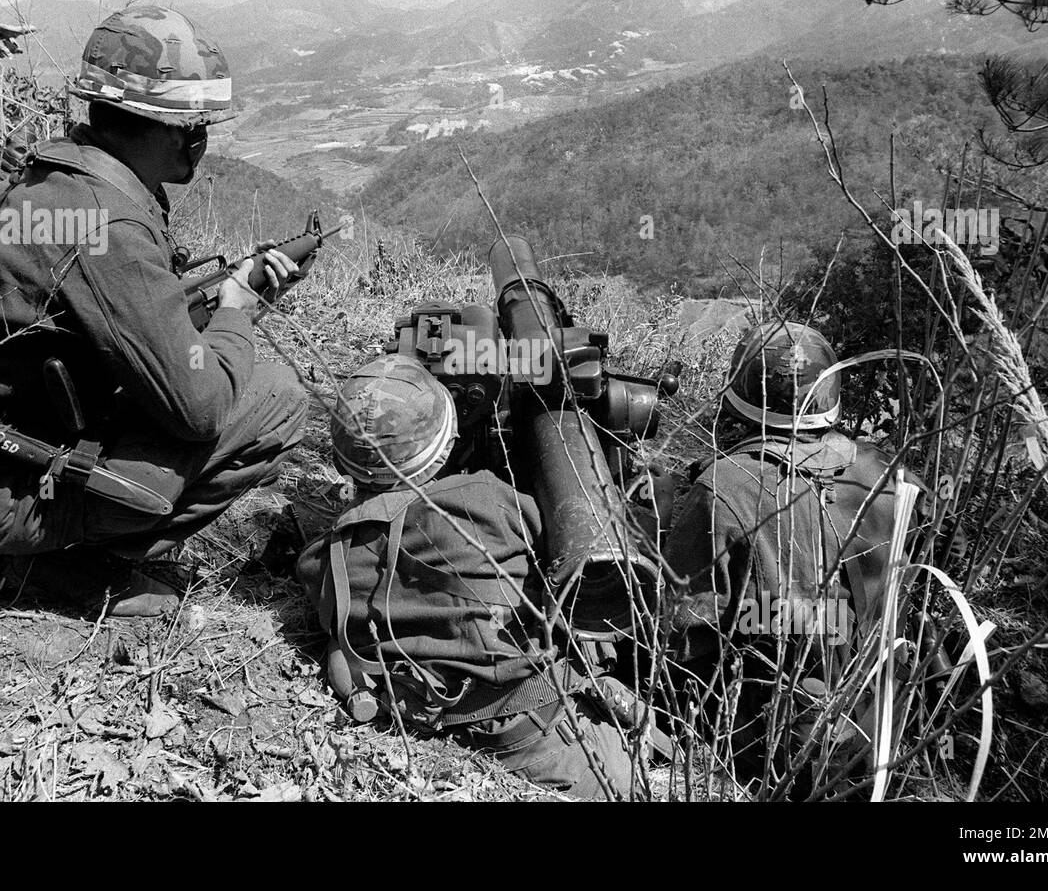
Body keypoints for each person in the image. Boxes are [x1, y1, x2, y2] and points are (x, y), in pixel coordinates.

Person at [0, 6, 309, 617]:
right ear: (158, 126)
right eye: (192, 125)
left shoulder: (65, 182)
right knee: (273, 400)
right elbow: (200, 409)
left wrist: (220, 299)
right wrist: (236, 313)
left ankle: (52, 533)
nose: (201, 140)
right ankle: (69, 566)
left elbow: (109, 318)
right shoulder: (105, 221)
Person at [295, 354, 638, 799]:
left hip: (426, 720)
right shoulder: (489, 500)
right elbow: (567, 550)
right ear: (447, 438)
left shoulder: (326, 560)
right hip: (539, 733)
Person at [663, 321, 927, 778]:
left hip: (759, 745)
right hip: (880, 730)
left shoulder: (723, 487)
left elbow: (681, 640)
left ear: (740, 394)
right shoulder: (895, 475)